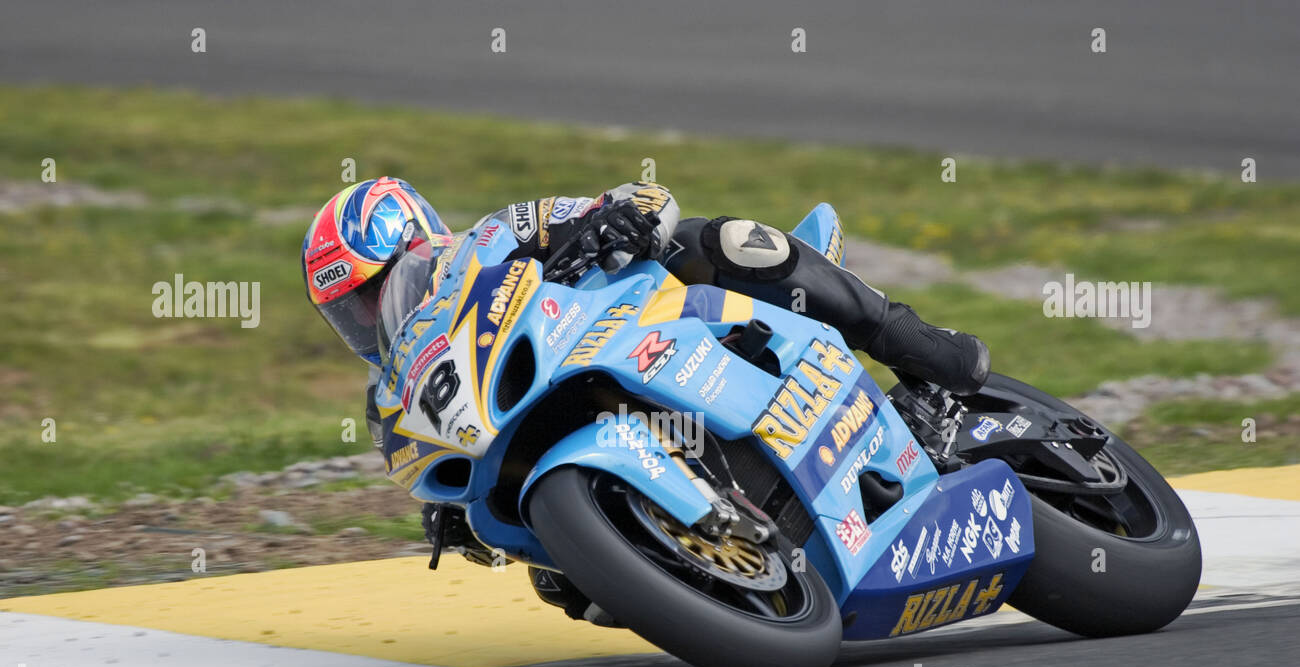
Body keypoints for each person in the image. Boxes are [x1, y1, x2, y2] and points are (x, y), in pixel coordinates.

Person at [302, 176, 990, 619]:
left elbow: (636, 198)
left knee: (719, 243)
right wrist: (445, 515)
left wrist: (623, 219)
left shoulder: (493, 236)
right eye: (346, 314)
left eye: (371, 294)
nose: (365, 321)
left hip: (642, 326)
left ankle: (918, 346)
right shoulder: (387, 393)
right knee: (562, 587)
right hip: (555, 432)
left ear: (415, 246)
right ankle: (711, 572)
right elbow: (424, 467)